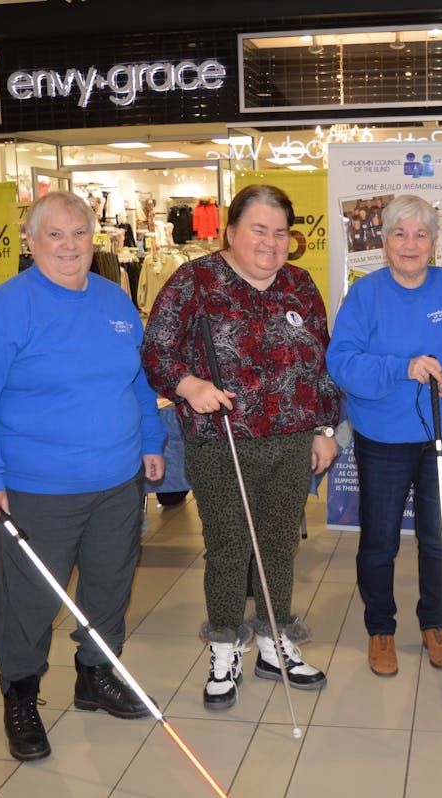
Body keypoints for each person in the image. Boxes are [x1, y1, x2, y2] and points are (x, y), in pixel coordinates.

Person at [0, 190, 166, 762]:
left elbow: (138, 382)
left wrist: (150, 440)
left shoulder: (115, 301)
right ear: (30, 241)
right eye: (55, 235)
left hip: (117, 482)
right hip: (35, 487)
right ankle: (20, 695)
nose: (69, 246)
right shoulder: (2, 310)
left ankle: (96, 674)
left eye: (78, 234)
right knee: (28, 601)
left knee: (109, 585)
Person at [142, 184, 340, 711]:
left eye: (280, 233)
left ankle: (275, 640)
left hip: (293, 439)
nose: (271, 243)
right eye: (259, 230)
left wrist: (325, 429)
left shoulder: (299, 284)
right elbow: (156, 350)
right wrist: (188, 386)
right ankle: (225, 644)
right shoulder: (194, 281)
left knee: (278, 543)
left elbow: (321, 362)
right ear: (230, 231)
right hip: (221, 440)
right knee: (230, 547)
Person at [326, 195, 442, 676]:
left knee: (439, 536)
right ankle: (380, 627)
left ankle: (434, 622)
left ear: (434, 244)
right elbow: (341, 363)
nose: (410, 244)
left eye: (421, 234)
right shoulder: (365, 294)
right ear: (383, 243)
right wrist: (401, 368)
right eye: (399, 234)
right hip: (382, 437)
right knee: (379, 538)